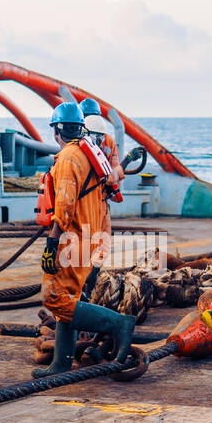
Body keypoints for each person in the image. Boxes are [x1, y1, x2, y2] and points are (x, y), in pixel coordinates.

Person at [33, 101, 136, 378]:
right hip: (89, 237)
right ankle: (61, 363)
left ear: (56, 131)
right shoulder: (89, 153)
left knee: (54, 297)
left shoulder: (67, 158)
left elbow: (64, 208)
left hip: (70, 239)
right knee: (70, 298)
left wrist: (51, 246)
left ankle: (118, 324)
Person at [79, 107, 124, 300]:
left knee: (97, 245)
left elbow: (114, 172)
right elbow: (115, 171)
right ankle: (83, 284)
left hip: (98, 201)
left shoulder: (81, 143)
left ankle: (88, 283)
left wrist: (110, 179)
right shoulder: (83, 146)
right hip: (91, 202)